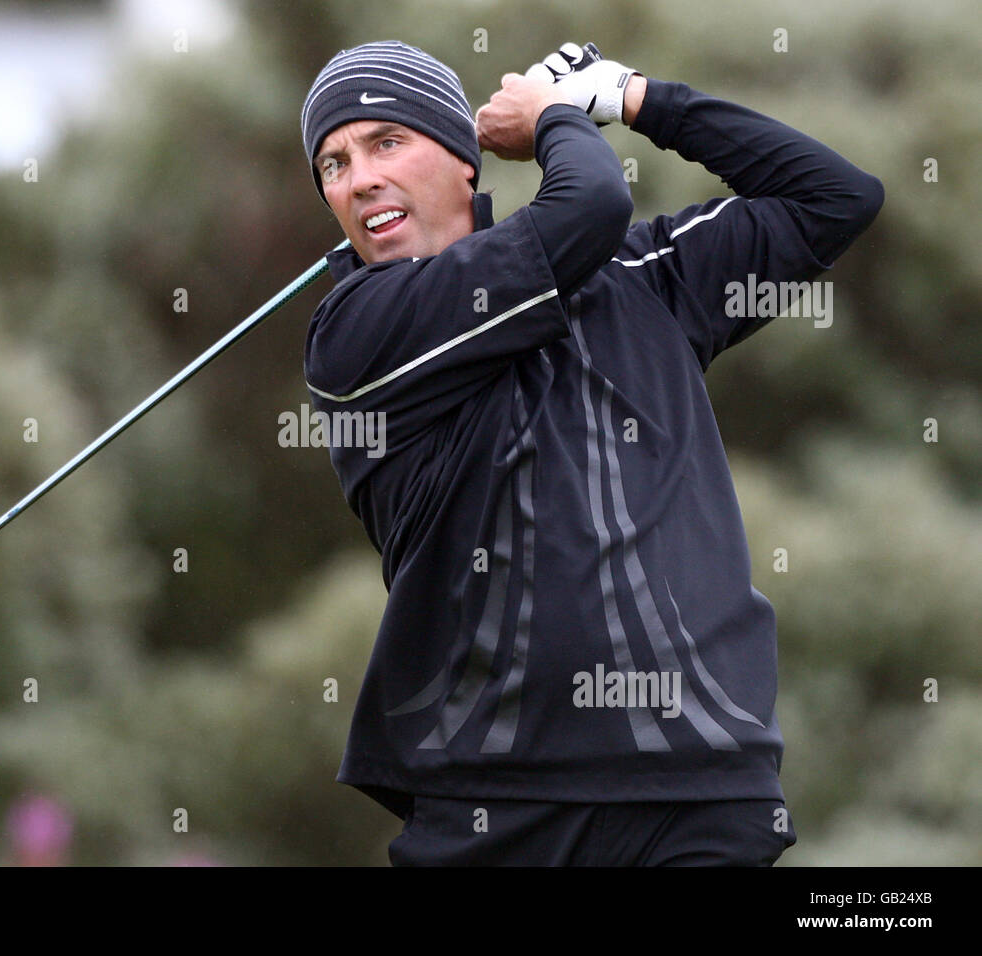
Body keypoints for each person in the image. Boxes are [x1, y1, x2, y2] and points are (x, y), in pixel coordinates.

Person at [299, 40, 882, 865]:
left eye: (385, 142)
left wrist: (633, 96)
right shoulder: (355, 335)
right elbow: (586, 207)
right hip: (497, 812)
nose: (357, 179)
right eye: (333, 164)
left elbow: (837, 196)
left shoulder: (645, 278)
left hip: (701, 794)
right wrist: (556, 119)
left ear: (465, 159)